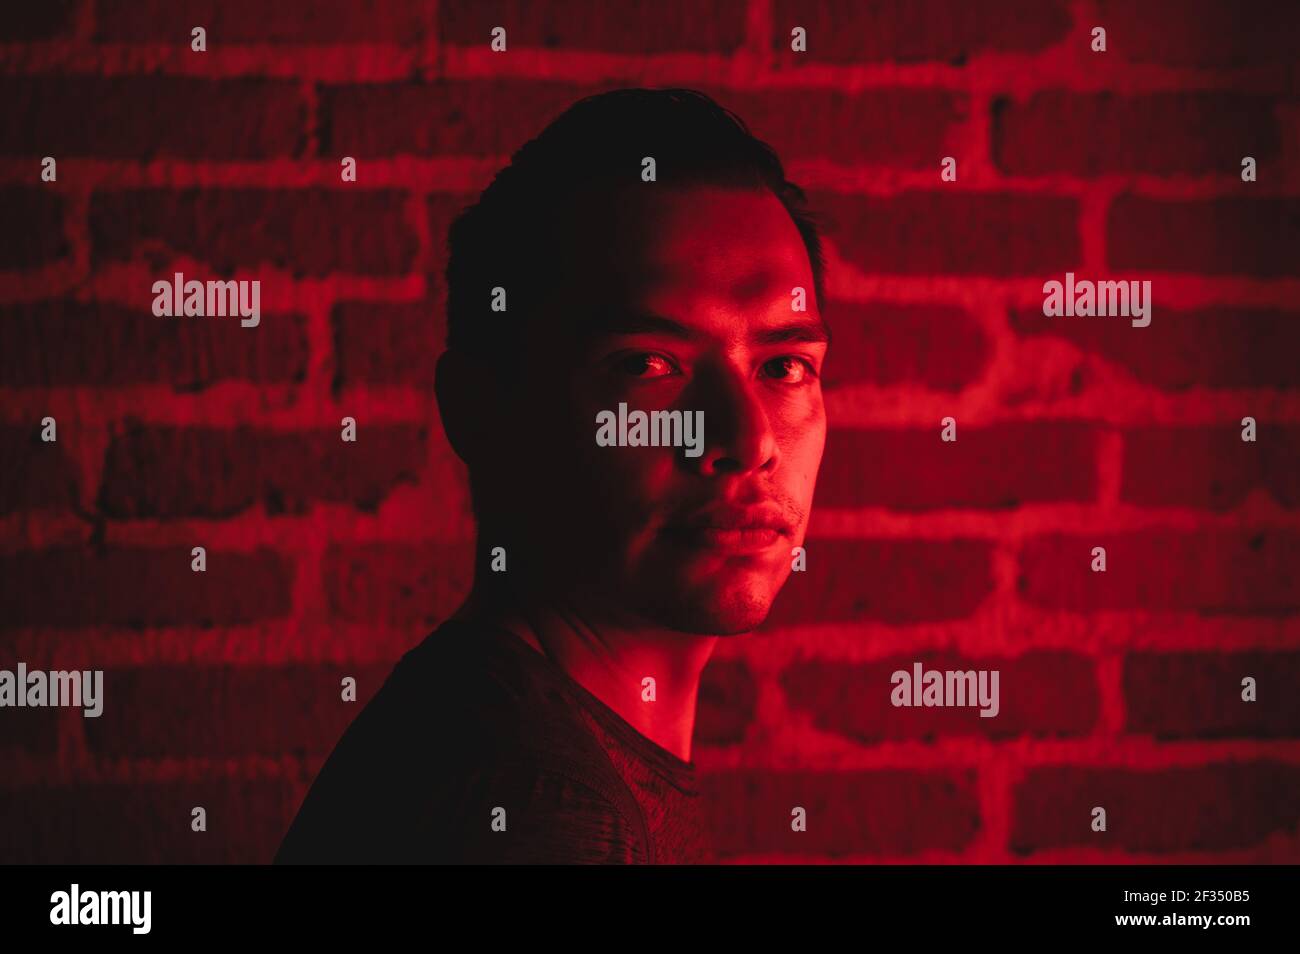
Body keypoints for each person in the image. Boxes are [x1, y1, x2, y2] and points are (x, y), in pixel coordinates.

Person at [275, 87, 830, 864]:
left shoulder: (537, 748)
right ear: (481, 412)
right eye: (648, 364)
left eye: (784, 365)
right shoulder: (538, 810)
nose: (747, 439)